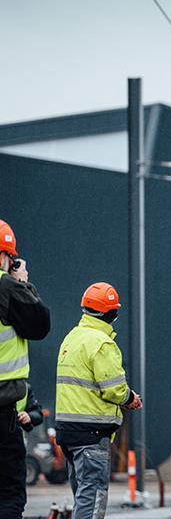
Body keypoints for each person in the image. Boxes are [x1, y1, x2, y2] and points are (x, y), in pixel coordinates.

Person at [55, 282, 142, 519]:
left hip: (68, 432)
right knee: (92, 499)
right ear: (111, 313)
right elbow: (114, 390)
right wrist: (130, 398)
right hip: (91, 435)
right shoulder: (102, 343)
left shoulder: (72, 338)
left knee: (82, 497)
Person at [0, 219, 51, 519]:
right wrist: (23, 283)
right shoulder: (5, 285)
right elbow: (40, 324)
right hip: (3, 407)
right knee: (9, 493)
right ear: (5, 255)